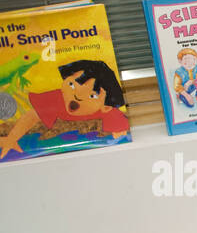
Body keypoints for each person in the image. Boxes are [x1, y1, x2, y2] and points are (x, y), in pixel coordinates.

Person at [0, 60, 129, 159]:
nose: (77, 96)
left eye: (92, 95)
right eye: (71, 84)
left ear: (105, 106)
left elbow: (120, 128)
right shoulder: (58, 99)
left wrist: (119, 130)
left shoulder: (107, 109)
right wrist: (11, 138)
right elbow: (32, 116)